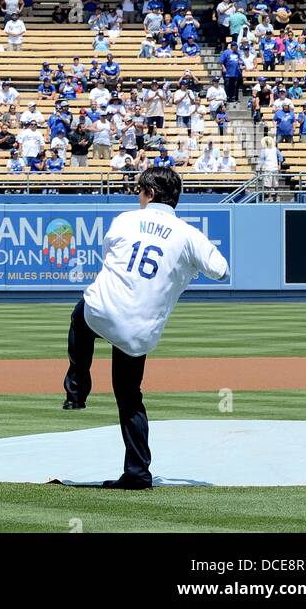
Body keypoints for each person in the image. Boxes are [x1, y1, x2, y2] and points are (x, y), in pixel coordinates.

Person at [62, 166, 229, 489]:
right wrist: (191, 264)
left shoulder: (125, 219)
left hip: (101, 310)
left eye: (140, 190)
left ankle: (77, 390)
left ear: (150, 194)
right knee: (129, 398)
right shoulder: (188, 234)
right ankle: (138, 473)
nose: (138, 196)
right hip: (138, 334)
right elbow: (221, 271)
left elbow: (111, 254)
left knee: (79, 320)